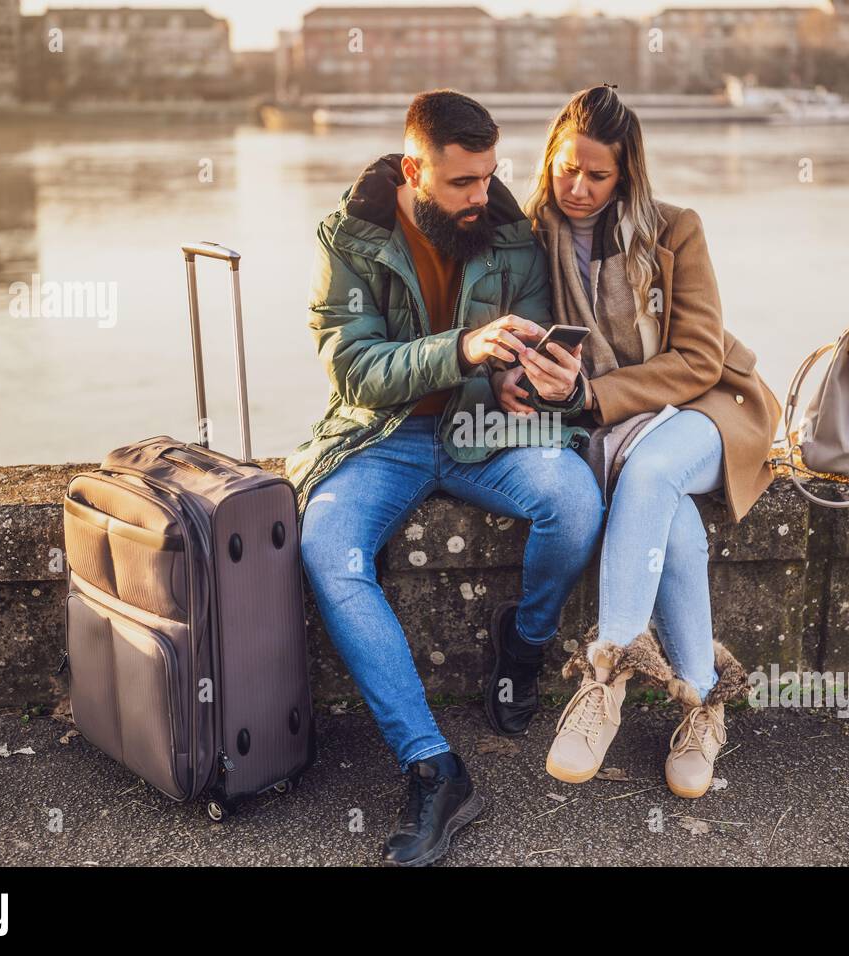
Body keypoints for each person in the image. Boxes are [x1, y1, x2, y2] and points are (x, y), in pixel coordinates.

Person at [288, 90, 604, 865]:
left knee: (574, 497)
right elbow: (355, 370)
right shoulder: (348, 239)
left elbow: (516, 354)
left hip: (480, 429)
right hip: (381, 436)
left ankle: (523, 645)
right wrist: (463, 351)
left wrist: (524, 384)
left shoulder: (511, 235)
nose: (480, 197)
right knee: (328, 548)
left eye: (490, 176)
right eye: (461, 182)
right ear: (412, 169)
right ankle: (434, 768)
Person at [493, 85, 781, 799]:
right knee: (668, 511)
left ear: (627, 175)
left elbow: (697, 359)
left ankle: (604, 678)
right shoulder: (532, 235)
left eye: (600, 175)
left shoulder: (675, 229)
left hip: (706, 409)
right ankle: (706, 709)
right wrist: (512, 378)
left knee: (651, 469)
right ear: (551, 158)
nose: (580, 187)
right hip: (610, 427)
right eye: (568, 170)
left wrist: (593, 396)